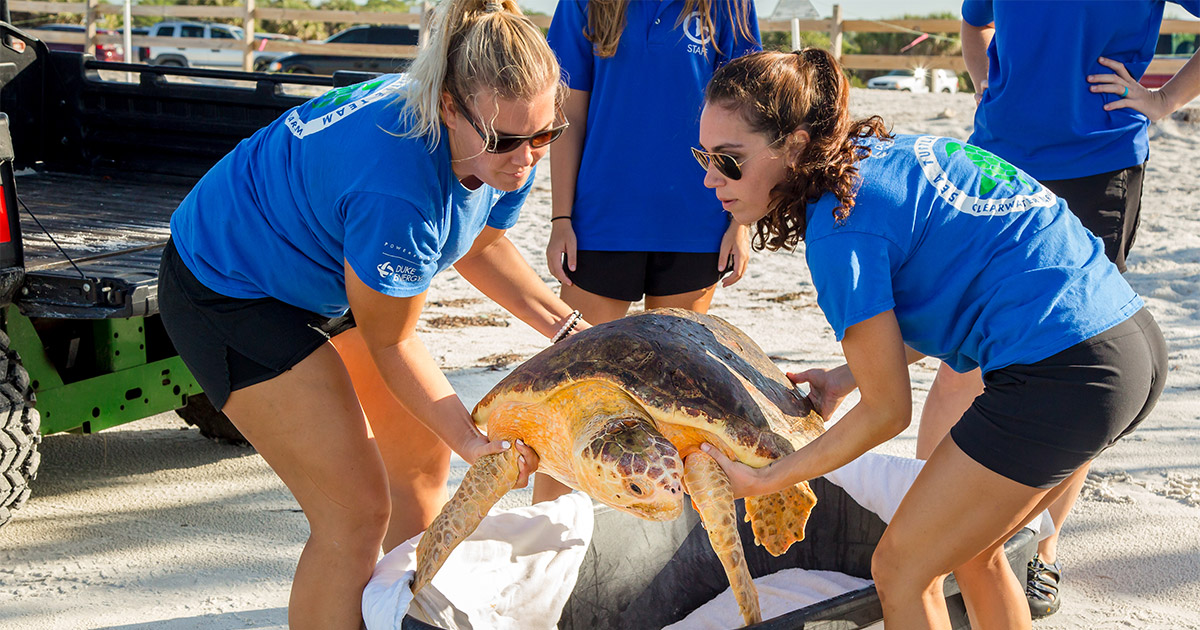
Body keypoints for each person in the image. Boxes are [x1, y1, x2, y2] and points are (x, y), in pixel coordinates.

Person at [692, 49, 1167, 628]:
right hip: (1129, 342)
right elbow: (963, 286)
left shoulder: (840, 228)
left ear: (793, 145)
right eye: (704, 156)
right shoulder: (881, 156)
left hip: (1063, 373)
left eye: (730, 160)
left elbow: (889, 412)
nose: (712, 178)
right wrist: (847, 378)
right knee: (975, 553)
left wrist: (768, 478)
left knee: (901, 569)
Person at [156, 1, 589, 627]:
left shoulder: (502, 133)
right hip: (228, 287)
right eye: (508, 143)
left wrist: (567, 331)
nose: (525, 159)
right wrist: (474, 439)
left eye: (546, 136)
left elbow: (480, 242)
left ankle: (405, 618)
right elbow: (393, 343)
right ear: (447, 106)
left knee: (420, 469)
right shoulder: (399, 188)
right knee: (355, 513)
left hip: (330, 264)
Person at [914, 1, 1200, 616]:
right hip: (996, 160)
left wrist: (1166, 100)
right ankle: (923, 531)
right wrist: (986, 82)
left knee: (1074, 365)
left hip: (1099, 166)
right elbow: (976, 22)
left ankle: (1041, 550)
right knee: (960, 360)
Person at [534, 0, 761, 503]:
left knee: (678, 401)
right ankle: (544, 535)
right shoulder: (585, 4)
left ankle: (659, 548)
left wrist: (739, 222)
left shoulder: (729, 5)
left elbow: (749, 122)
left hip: (698, 222)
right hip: (601, 221)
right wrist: (562, 219)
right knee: (573, 389)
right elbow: (567, 114)